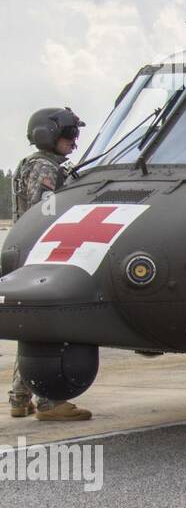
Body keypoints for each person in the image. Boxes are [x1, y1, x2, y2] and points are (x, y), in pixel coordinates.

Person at [9, 108, 93, 422]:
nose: (74, 141)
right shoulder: (45, 168)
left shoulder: (34, 165)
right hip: (44, 253)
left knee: (32, 326)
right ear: (48, 134)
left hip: (29, 252)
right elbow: (43, 212)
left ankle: (20, 397)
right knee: (52, 325)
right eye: (69, 134)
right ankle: (50, 400)